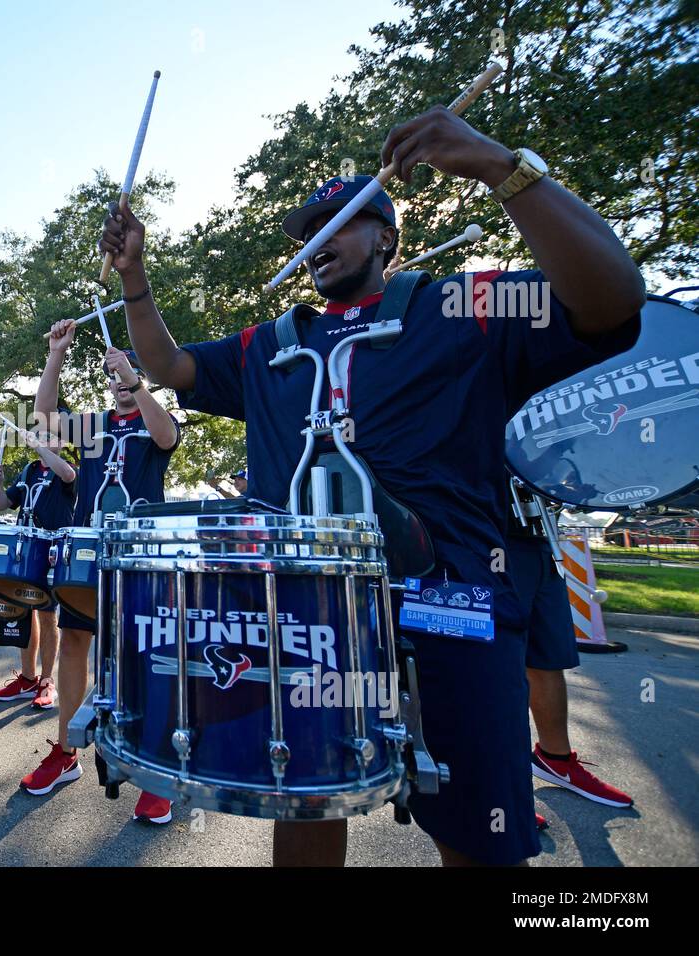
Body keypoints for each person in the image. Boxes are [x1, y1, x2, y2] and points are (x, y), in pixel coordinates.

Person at [100, 104, 644, 865]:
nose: (320, 238)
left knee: (476, 830)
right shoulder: (273, 342)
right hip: (308, 615)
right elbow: (171, 368)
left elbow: (614, 298)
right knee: (310, 796)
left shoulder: (461, 306)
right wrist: (135, 281)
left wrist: (499, 167)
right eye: (311, 229)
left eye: (342, 220)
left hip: (451, 598)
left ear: (386, 235)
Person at [22, 332, 180, 826]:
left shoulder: (158, 416)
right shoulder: (93, 427)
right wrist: (55, 356)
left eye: (130, 374)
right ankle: (67, 749)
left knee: (143, 656)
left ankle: (156, 773)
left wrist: (138, 381)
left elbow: (165, 438)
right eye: (115, 375)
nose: (121, 382)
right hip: (90, 553)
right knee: (72, 643)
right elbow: (44, 417)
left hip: (140, 555)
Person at [505, 527, 634, 809]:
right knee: (494, 662)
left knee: (547, 657)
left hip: (538, 540)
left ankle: (556, 760)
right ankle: (492, 787)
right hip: (483, 536)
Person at [0, 426, 77, 709]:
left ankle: (47, 681)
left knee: (48, 615)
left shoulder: (67, 468)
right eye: (40, 435)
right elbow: (2, 505)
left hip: (52, 549)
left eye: (50, 436)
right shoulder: (28, 470)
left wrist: (39, 447)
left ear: (61, 442)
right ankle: (27, 678)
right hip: (25, 550)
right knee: (24, 612)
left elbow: (68, 476)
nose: (43, 440)